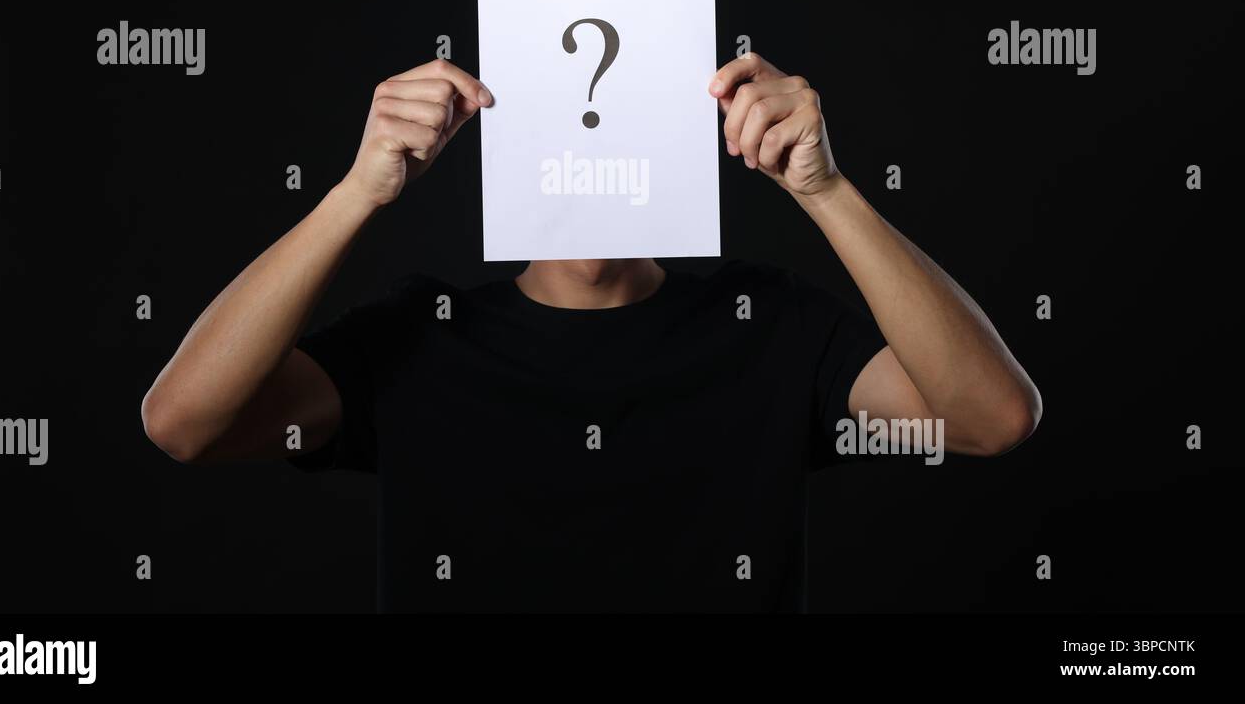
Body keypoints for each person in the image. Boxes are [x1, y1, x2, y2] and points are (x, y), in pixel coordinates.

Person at [141, 54, 1041, 612]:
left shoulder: (768, 325)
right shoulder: (420, 337)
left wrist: (825, 189)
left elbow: (992, 417)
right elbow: (184, 421)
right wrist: (354, 194)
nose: (593, 129)